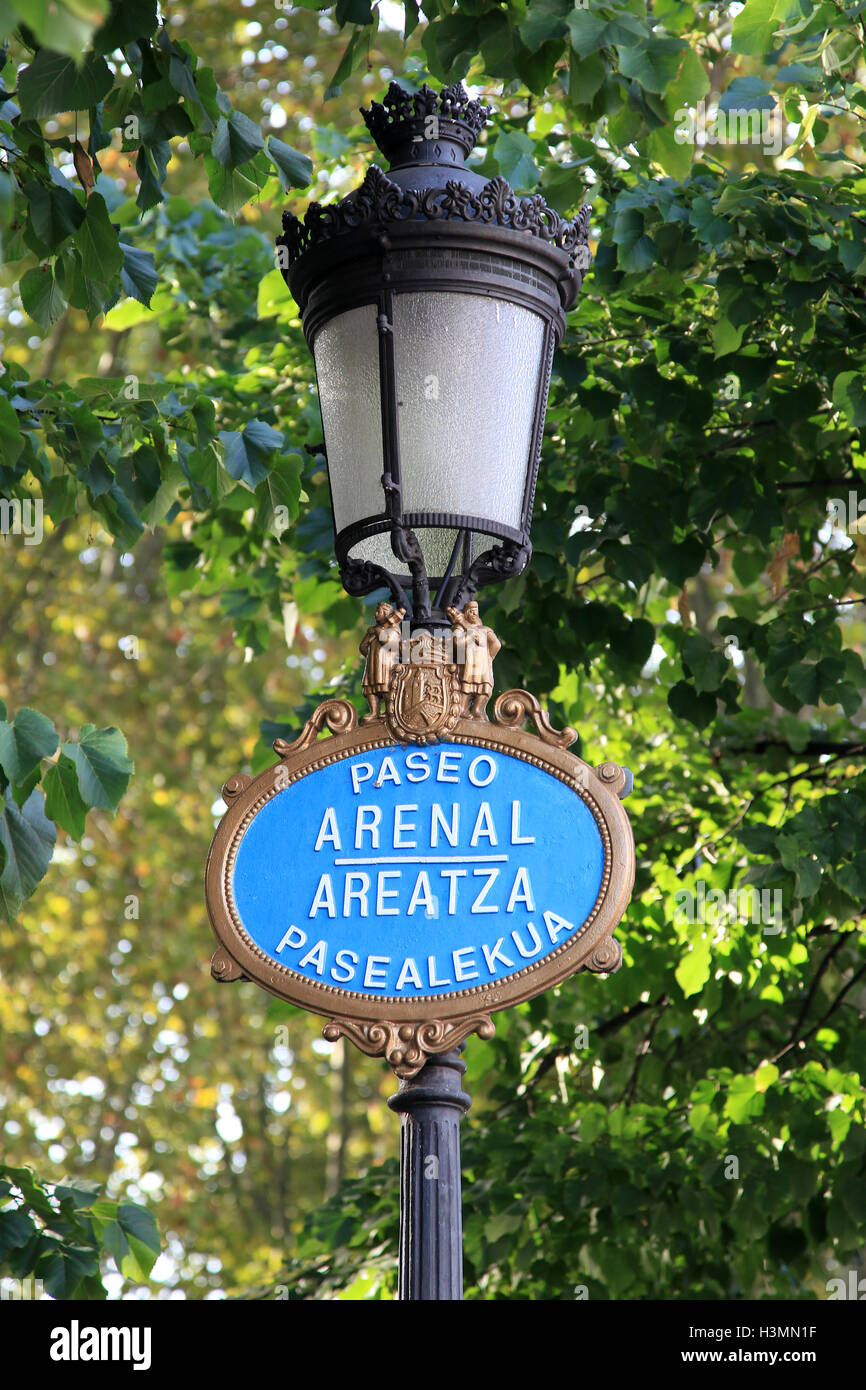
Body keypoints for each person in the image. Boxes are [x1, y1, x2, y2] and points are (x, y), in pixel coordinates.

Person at [446, 600, 500, 717]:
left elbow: (496, 644)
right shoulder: (459, 628)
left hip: (483, 666)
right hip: (468, 665)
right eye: (471, 611)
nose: (474, 614)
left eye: (475, 611)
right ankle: (462, 709)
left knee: (485, 689)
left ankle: (477, 710)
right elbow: (458, 642)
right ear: (465, 614)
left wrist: (489, 657)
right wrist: (469, 633)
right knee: (466, 687)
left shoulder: (484, 629)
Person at [359, 601, 406, 719]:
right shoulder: (371, 630)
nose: (375, 614)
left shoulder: (393, 628)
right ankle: (374, 712)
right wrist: (370, 656)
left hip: (386, 664)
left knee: (386, 686)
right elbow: (362, 646)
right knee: (370, 688)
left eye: (378, 612)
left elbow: (389, 643)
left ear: (386, 614)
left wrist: (378, 631)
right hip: (373, 664)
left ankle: (389, 710)